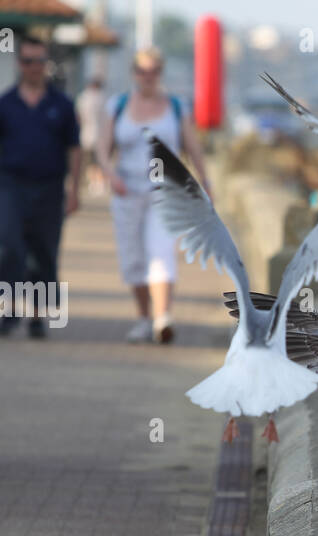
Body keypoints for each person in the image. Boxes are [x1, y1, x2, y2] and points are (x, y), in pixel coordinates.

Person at [0, 37, 80, 338]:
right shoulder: (4, 104)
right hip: (12, 186)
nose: (34, 67)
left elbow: (75, 149)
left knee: (44, 250)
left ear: (47, 65)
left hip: (50, 187)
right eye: (28, 61)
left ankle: (37, 316)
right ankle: (9, 310)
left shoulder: (62, 105)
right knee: (9, 245)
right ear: (19, 64)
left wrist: (75, 189)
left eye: (40, 61)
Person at [97, 47, 211, 344]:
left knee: (160, 251)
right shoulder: (117, 105)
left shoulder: (176, 107)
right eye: (142, 72)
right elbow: (102, 148)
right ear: (134, 74)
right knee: (133, 258)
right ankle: (144, 318)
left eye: (154, 72)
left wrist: (205, 181)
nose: (147, 78)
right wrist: (110, 174)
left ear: (161, 74)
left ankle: (163, 317)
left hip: (164, 191)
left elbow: (193, 147)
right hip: (127, 191)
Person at [76, 76, 106, 196]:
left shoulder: (83, 97)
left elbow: (79, 117)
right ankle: (98, 183)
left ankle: (91, 182)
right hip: (100, 134)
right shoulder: (102, 97)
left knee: (88, 161)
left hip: (86, 134)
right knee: (98, 161)